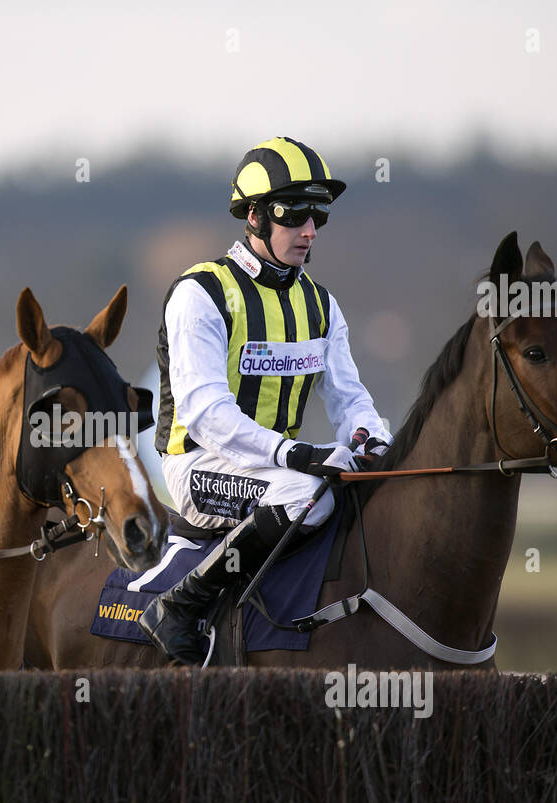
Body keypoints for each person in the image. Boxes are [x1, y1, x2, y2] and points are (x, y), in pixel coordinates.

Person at [140, 137, 392, 665]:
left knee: (359, 486)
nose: (309, 230)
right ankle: (181, 607)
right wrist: (292, 454)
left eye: (317, 214)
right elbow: (208, 417)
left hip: (275, 469)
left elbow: (350, 399)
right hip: (198, 466)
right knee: (308, 494)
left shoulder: (321, 304)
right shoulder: (201, 294)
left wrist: (371, 438)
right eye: (294, 213)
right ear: (254, 216)